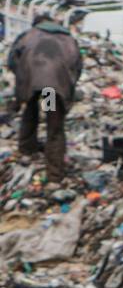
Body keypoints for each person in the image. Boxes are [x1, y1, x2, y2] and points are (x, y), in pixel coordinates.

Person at [6, 12, 82, 183]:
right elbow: (77, 66)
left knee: (31, 109)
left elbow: (12, 61)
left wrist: (22, 80)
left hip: (31, 81)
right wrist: (69, 89)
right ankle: (54, 174)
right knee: (53, 126)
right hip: (53, 87)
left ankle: (27, 149)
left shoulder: (28, 36)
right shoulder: (68, 39)